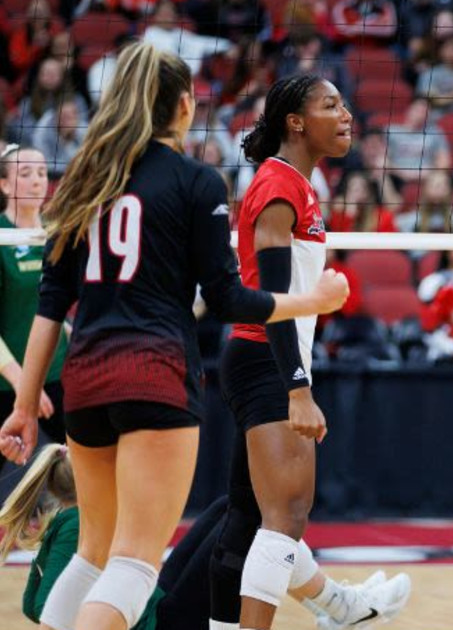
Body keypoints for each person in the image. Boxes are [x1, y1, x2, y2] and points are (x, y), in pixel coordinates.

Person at [0, 42, 348, 630]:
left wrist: (23, 402)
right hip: (154, 373)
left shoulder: (85, 181)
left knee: (93, 552)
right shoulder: (195, 183)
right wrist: (310, 301)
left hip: (82, 375)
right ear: (184, 107)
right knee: (134, 564)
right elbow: (230, 298)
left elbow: (52, 304)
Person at [210, 73, 406, 630]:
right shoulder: (278, 186)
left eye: (345, 104)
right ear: (296, 122)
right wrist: (297, 389)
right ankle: (333, 609)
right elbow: (271, 301)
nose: (346, 115)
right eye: (331, 106)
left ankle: (332, 609)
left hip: (263, 360)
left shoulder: (297, 183)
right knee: (284, 518)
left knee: (249, 521)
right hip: (267, 361)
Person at [0, 445, 408, 630]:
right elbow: (50, 611)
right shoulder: (77, 524)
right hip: (165, 624)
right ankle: (341, 606)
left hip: (153, 606)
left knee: (229, 509)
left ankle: (337, 608)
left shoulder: (68, 522)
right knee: (247, 523)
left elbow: (34, 604)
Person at [0, 146, 68, 483]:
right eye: (25, 174)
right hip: (6, 379)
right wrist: (25, 386)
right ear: (4, 184)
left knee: (76, 470)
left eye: (42, 173)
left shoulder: (57, 234)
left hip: (56, 375)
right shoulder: (2, 235)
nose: (36, 181)